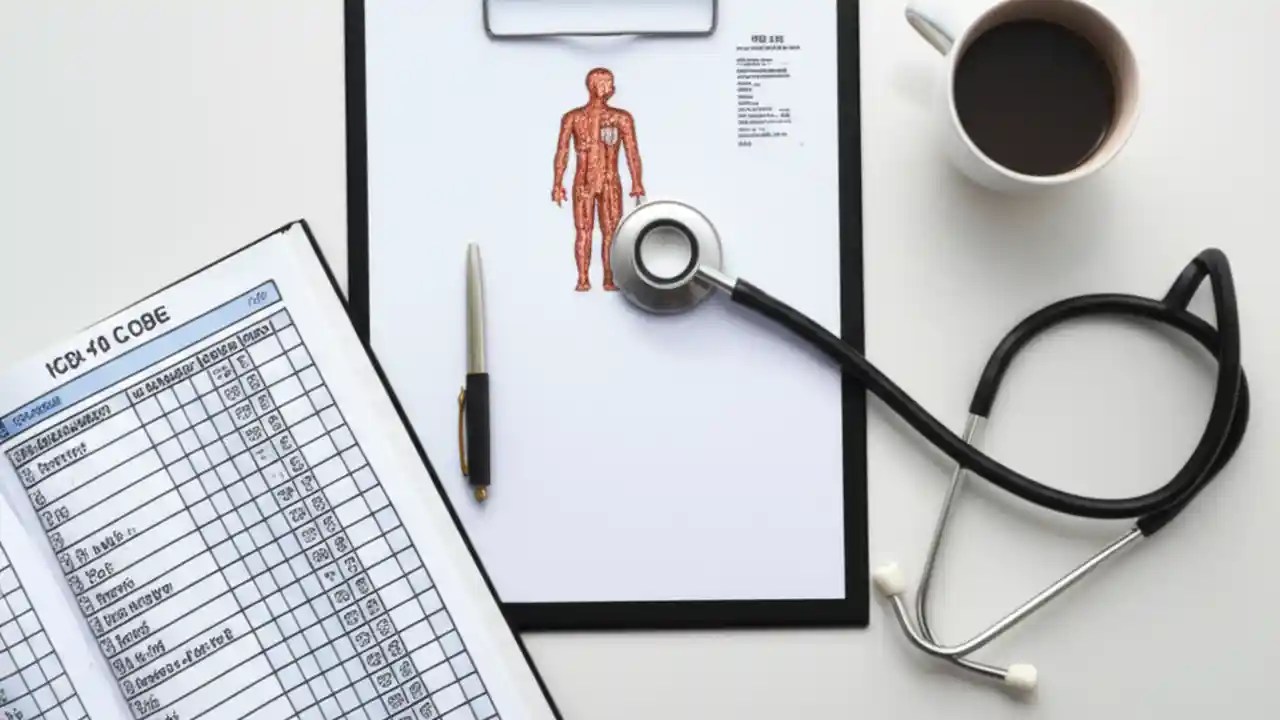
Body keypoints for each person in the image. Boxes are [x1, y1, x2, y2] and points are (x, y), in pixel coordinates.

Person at [551, 67, 645, 291]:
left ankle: (609, 278)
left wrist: (637, 181)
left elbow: (632, 151)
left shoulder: (621, 118)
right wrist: (557, 184)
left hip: (609, 180)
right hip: (584, 182)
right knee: (584, 231)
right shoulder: (573, 118)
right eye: (609, 83)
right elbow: (562, 152)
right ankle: (583, 279)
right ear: (598, 86)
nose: (613, 87)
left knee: (610, 231)